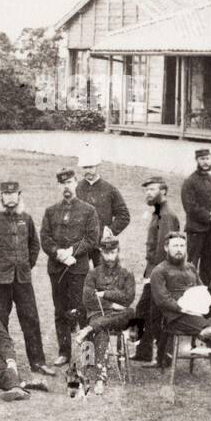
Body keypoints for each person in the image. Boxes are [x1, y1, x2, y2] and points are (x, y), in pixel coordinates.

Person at [0, 181, 56, 376]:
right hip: (0, 281)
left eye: (14, 195)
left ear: (19, 196)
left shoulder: (26, 219)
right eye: (6, 194)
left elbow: (34, 245)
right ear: (0, 196)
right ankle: (3, 362)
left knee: (31, 319)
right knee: (0, 322)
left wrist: (27, 265)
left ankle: (38, 362)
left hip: (22, 280)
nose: (10, 198)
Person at [149, 232, 211, 396]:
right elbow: (162, 300)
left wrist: (209, 302)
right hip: (176, 316)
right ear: (166, 248)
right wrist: (183, 308)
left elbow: (201, 289)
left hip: (198, 311)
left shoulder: (190, 267)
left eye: (182, 246)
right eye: (175, 246)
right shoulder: (159, 271)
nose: (179, 250)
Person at [40, 168, 100, 367]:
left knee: (81, 310)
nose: (67, 187)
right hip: (57, 268)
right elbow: (45, 238)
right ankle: (64, 352)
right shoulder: (50, 211)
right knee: (60, 310)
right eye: (63, 183)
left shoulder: (88, 210)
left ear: (76, 183)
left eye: (70, 182)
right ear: (59, 186)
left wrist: (72, 252)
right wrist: (58, 253)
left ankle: (87, 355)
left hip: (78, 268)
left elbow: (92, 238)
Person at [71, 235, 136, 396]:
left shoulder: (127, 274)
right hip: (99, 314)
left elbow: (129, 298)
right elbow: (88, 299)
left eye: (113, 252)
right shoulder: (93, 274)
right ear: (101, 252)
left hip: (119, 316)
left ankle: (87, 330)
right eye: (106, 253)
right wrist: (113, 302)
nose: (109, 257)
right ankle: (100, 378)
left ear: (118, 252)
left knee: (131, 312)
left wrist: (104, 294)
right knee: (101, 328)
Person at [132, 176, 181, 365]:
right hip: (152, 272)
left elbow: (163, 249)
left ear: (164, 191)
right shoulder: (158, 213)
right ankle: (143, 351)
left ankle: (163, 358)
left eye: (152, 189)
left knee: (156, 314)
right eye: (146, 190)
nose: (148, 193)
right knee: (142, 311)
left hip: (160, 274)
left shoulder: (166, 215)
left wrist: (154, 277)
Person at [181, 147, 211, 292]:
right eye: (202, 159)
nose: (205, 162)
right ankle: (190, 292)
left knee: (209, 264)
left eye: (208, 158)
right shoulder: (189, 182)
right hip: (196, 230)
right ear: (197, 160)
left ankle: (207, 293)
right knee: (192, 264)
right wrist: (210, 216)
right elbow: (190, 207)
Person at [75, 151, 130, 268]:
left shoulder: (109, 190)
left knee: (104, 280)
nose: (87, 170)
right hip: (81, 243)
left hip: (102, 244)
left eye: (91, 167)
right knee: (77, 278)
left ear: (97, 166)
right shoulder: (77, 188)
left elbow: (124, 215)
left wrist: (110, 230)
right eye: (85, 167)